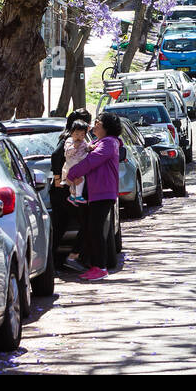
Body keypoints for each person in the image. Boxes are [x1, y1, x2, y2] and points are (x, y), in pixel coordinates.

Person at [66, 112, 124, 281]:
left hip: (103, 192)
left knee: (96, 230)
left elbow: (91, 161)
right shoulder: (99, 142)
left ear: (106, 127)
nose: (95, 124)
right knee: (93, 229)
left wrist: (72, 173)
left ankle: (100, 267)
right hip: (97, 193)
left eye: (98, 122)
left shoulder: (108, 143)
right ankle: (95, 265)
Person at [50, 109, 93, 270]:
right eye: (87, 123)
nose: (88, 127)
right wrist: (57, 179)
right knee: (87, 223)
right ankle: (73, 256)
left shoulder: (76, 138)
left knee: (61, 226)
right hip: (66, 190)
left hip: (64, 190)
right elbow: (55, 155)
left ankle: (55, 262)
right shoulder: (70, 139)